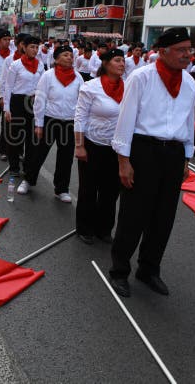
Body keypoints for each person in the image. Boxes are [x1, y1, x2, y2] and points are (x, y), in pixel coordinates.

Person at [108, 27, 195, 298]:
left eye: (189, 50)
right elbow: (126, 119)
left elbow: (189, 121)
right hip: (144, 150)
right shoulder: (141, 77)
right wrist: (124, 161)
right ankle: (119, 270)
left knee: (163, 216)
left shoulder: (190, 83)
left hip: (173, 153)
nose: (187, 55)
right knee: (134, 214)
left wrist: (186, 158)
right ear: (163, 51)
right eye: (181, 50)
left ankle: (149, 269)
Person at [17, 45, 84, 202]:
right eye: (65, 55)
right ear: (57, 58)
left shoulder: (78, 77)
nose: (69, 58)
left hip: (68, 122)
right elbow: (40, 101)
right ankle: (28, 180)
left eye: (70, 55)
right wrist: (39, 124)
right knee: (38, 153)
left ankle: (61, 189)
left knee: (66, 157)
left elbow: (82, 102)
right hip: (49, 120)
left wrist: (80, 126)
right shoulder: (48, 76)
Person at [73, 48, 125, 244]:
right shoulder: (91, 87)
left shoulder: (128, 87)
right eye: (117, 60)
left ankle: (104, 228)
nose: (122, 64)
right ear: (105, 64)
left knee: (111, 190)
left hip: (117, 147)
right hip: (93, 144)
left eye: (123, 61)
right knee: (89, 188)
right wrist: (79, 145)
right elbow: (79, 117)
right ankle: (84, 228)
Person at [3, 35, 43, 178]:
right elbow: (8, 86)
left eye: (37, 47)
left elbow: (42, 86)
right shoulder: (16, 65)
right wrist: (7, 108)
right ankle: (13, 165)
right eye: (32, 47)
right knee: (15, 136)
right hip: (18, 102)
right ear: (23, 47)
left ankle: (28, 166)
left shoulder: (40, 65)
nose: (35, 50)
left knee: (32, 138)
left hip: (33, 102)